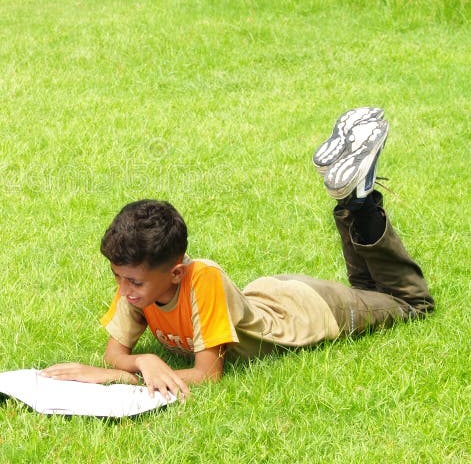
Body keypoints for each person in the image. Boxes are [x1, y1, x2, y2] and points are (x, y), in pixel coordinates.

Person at [42, 107, 435, 399]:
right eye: (118, 277)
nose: (124, 289)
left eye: (132, 281)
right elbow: (116, 350)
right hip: (273, 294)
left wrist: (121, 376)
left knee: (410, 304)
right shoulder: (138, 278)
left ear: (175, 273)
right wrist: (144, 360)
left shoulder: (202, 278)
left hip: (311, 312)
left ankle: (360, 200)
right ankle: (351, 194)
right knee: (368, 286)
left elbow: (207, 374)